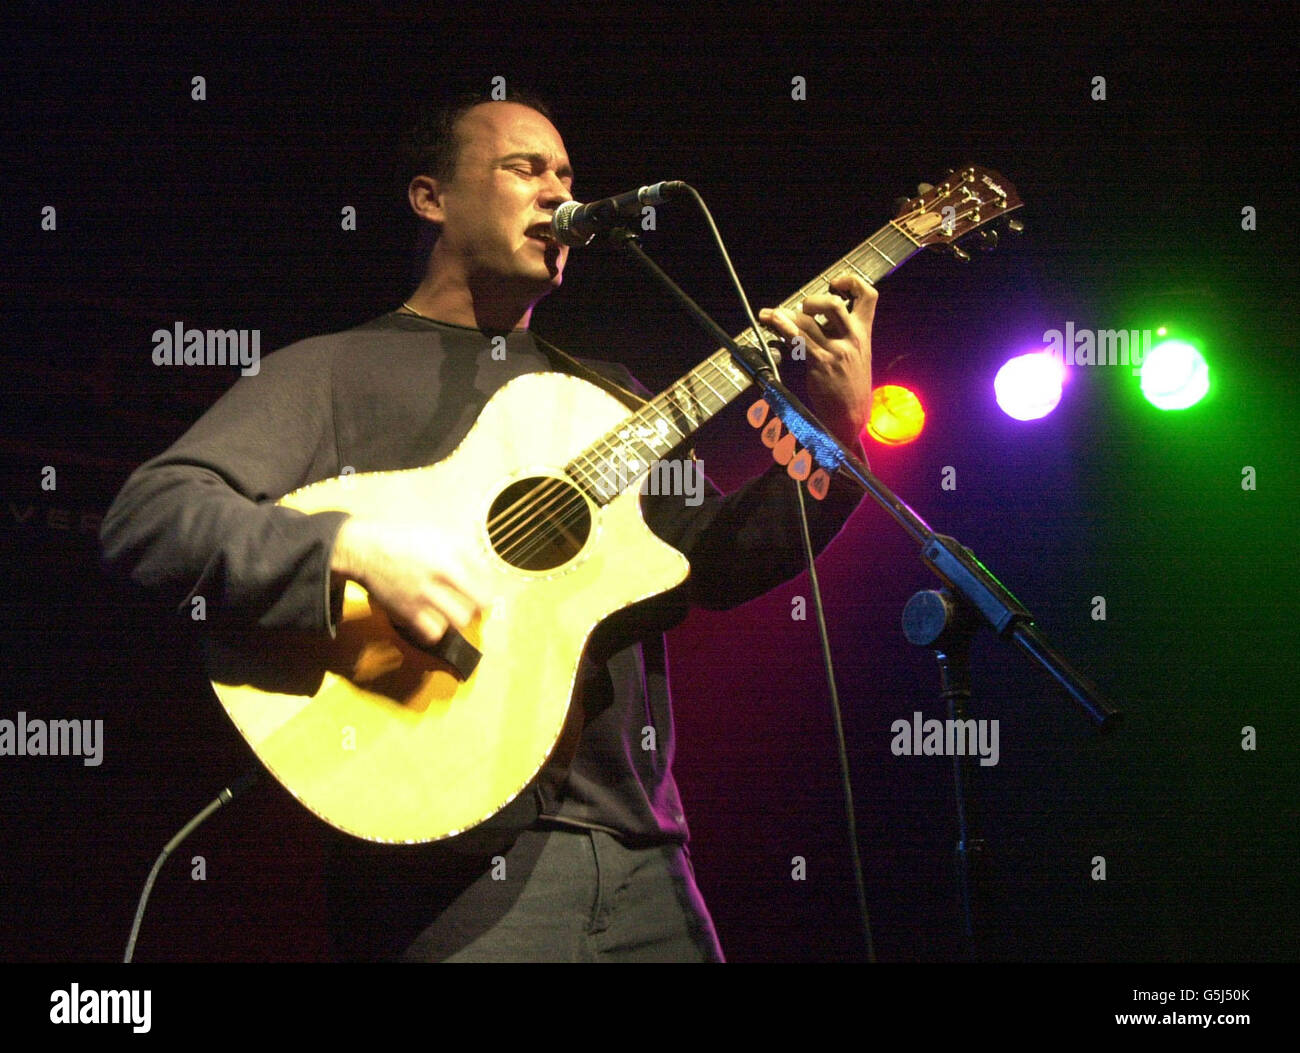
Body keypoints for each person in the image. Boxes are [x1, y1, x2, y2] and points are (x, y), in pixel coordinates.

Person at [100, 91, 878, 962]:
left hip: (646, 862)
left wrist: (840, 438)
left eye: (567, 176)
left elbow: (725, 564)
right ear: (431, 198)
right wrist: (350, 549)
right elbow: (152, 515)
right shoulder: (332, 371)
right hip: (447, 877)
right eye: (524, 168)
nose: (556, 192)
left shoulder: (604, 394)